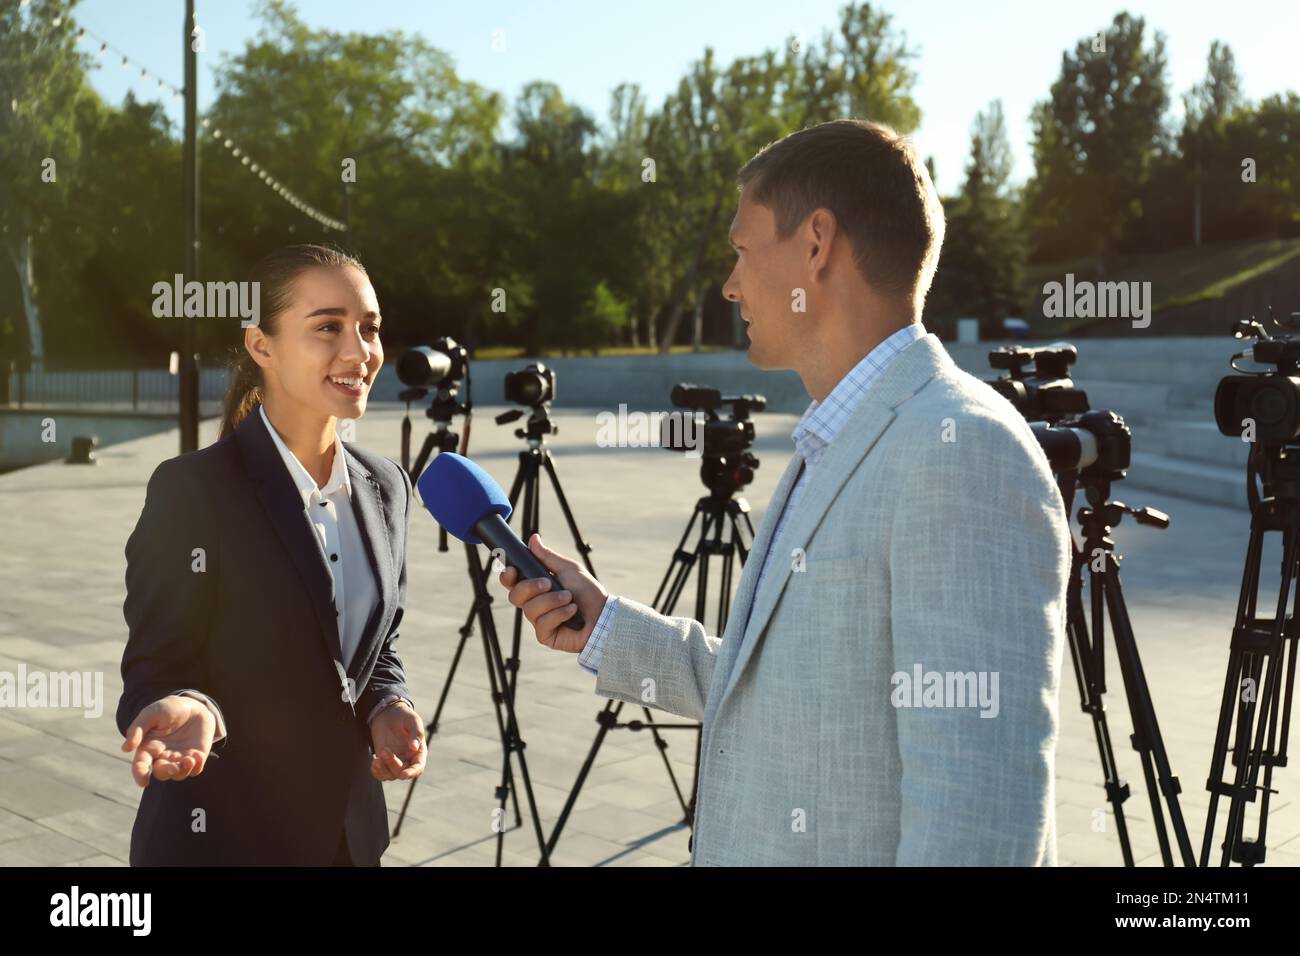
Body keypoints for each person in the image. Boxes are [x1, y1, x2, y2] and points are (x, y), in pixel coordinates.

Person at [501, 120, 1072, 866]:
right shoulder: (833, 435)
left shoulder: (962, 453)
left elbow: (978, 820)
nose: (730, 282)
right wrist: (604, 626)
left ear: (816, 242)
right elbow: (775, 688)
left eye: (742, 249)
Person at [116, 244, 425, 866]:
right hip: (224, 840)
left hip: (349, 839)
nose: (358, 351)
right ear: (262, 346)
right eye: (328, 327)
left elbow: (375, 643)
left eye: (370, 327)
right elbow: (156, 662)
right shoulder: (193, 490)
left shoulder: (387, 484)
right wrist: (188, 704)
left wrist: (388, 703)